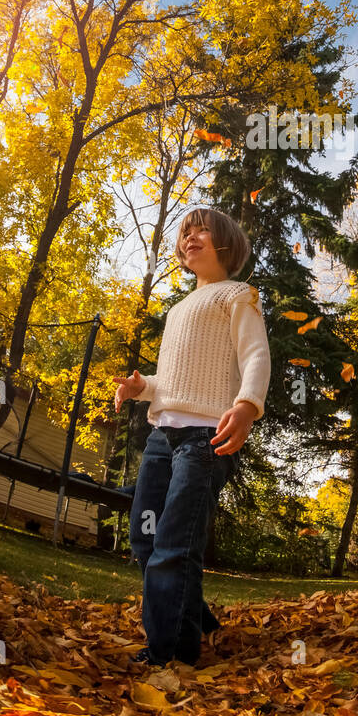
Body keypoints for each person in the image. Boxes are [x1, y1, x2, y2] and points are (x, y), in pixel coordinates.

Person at [115, 207, 271, 667]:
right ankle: (194, 617)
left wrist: (246, 405)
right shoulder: (179, 309)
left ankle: (170, 653)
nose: (191, 237)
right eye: (186, 233)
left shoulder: (237, 295)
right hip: (162, 439)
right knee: (145, 540)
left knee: (175, 544)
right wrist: (142, 388)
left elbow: (256, 356)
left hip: (205, 440)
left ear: (226, 243)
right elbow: (172, 380)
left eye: (202, 230)